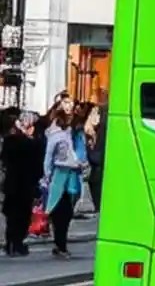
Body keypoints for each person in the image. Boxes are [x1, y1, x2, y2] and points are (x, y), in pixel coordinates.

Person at [41, 109, 87, 258]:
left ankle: (61, 243)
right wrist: (47, 175)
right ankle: (60, 244)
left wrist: (80, 164)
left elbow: (76, 154)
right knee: (60, 212)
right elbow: (48, 157)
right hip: (59, 174)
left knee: (66, 212)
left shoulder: (72, 135)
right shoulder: (55, 136)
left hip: (72, 175)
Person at [1, 112, 40, 256]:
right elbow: (37, 166)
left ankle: (10, 243)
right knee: (22, 216)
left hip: (12, 184)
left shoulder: (9, 141)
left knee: (12, 215)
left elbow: (4, 160)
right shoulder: (33, 143)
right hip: (26, 185)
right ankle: (17, 243)